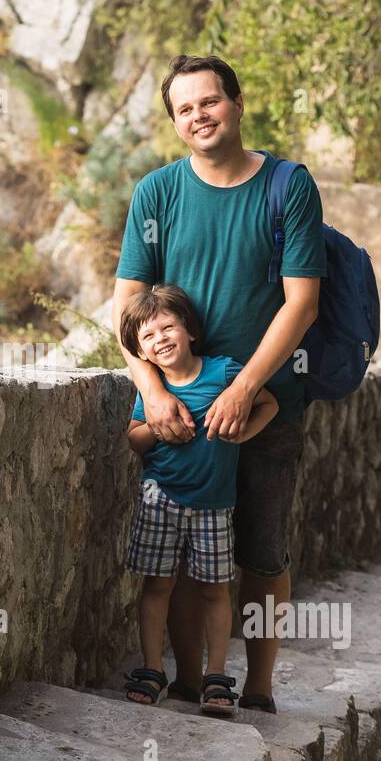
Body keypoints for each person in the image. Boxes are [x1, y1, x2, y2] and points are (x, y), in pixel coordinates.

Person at [112, 54, 326, 714]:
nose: (199, 116)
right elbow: (123, 307)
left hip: (265, 405)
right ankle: (185, 679)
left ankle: (256, 687)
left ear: (235, 102)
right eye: (185, 109)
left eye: (209, 101)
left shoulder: (288, 187)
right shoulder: (159, 193)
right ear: (176, 122)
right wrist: (151, 389)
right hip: (178, 405)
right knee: (176, 553)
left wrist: (243, 387)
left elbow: (302, 304)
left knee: (262, 553)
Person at [120, 284, 278, 715]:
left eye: (167, 327)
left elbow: (268, 403)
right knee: (158, 587)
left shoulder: (224, 372)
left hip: (214, 506)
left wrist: (245, 432)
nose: (160, 340)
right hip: (160, 503)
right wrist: (156, 420)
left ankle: (216, 677)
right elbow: (134, 440)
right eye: (148, 338)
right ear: (143, 353)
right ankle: (153, 669)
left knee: (214, 591)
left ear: (189, 330)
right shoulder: (152, 393)